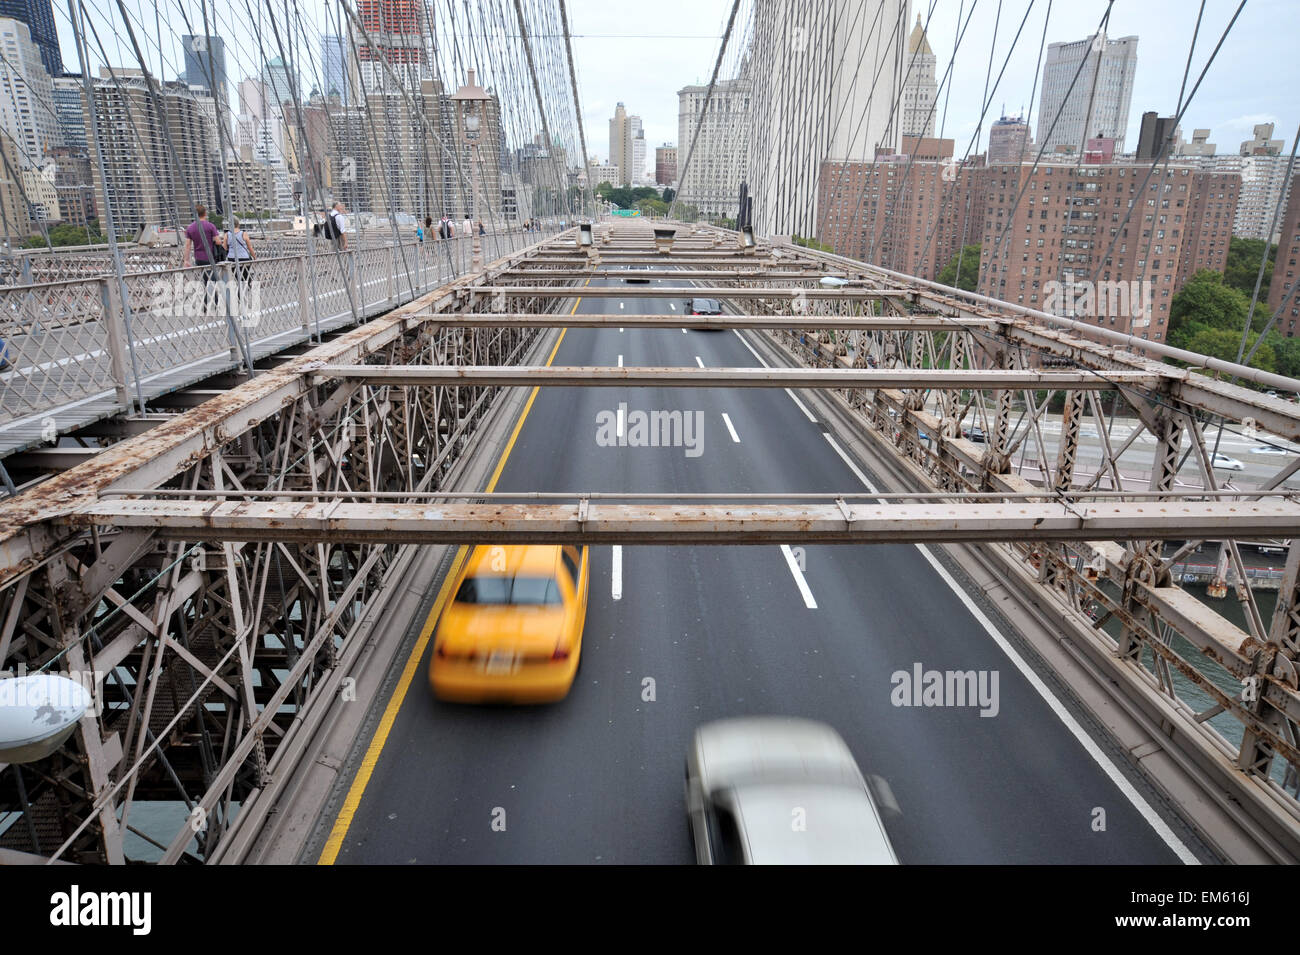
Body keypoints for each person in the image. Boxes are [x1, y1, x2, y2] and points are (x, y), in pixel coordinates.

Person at [182, 203, 225, 314]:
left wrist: (186, 260)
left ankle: (208, 305)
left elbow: (187, 245)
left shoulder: (190, 228)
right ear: (205, 213)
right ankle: (211, 305)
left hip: (198, 258)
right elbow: (217, 241)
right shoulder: (210, 226)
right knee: (212, 282)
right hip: (210, 258)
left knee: (206, 281)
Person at [224, 216, 256, 322]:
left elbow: (225, 247)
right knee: (245, 280)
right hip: (244, 260)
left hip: (232, 259)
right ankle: (242, 298)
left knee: (237, 280)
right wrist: (255, 257)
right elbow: (249, 247)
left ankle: (239, 297)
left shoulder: (227, 234)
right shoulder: (243, 233)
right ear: (238, 223)